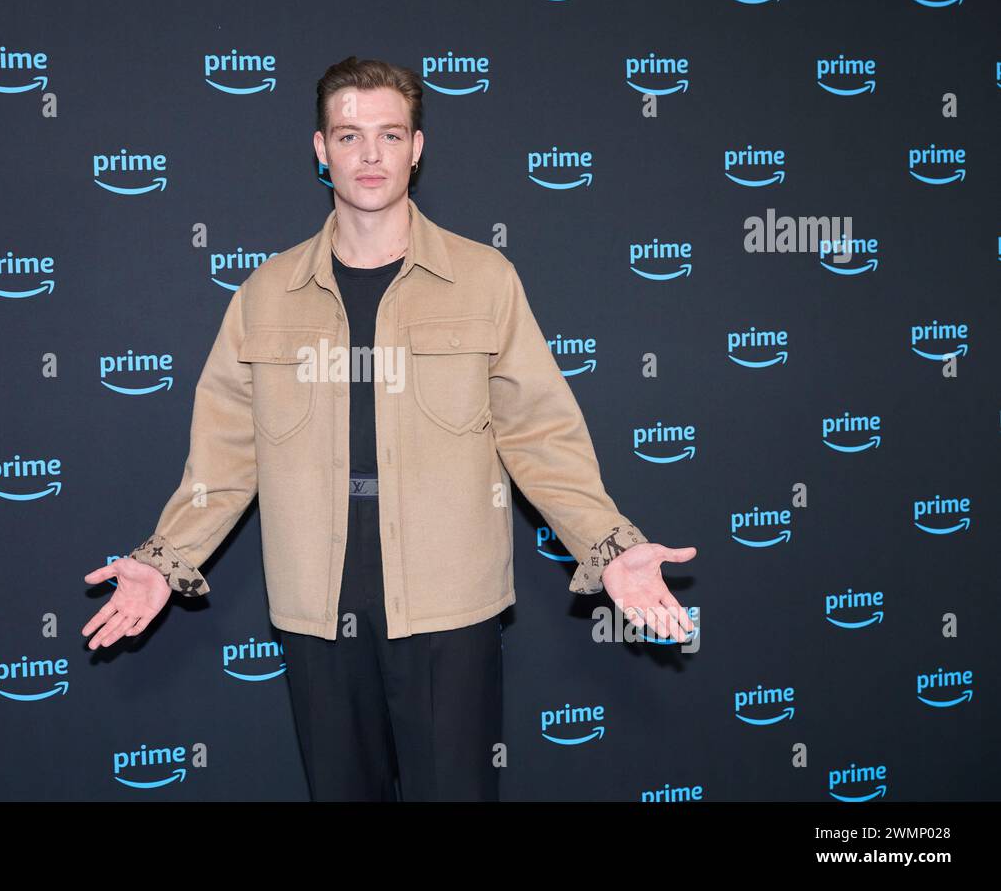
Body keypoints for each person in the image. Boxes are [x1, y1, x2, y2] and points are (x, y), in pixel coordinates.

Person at [82, 56, 696, 800]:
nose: (369, 155)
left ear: (417, 146)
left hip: (449, 609)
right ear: (320, 149)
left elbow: (539, 435)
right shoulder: (265, 294)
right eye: (348, 136)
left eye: (388, 134)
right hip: (316, 611)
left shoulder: (484, 279)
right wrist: (164, 556)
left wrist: (611, 544)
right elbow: (226, 453)